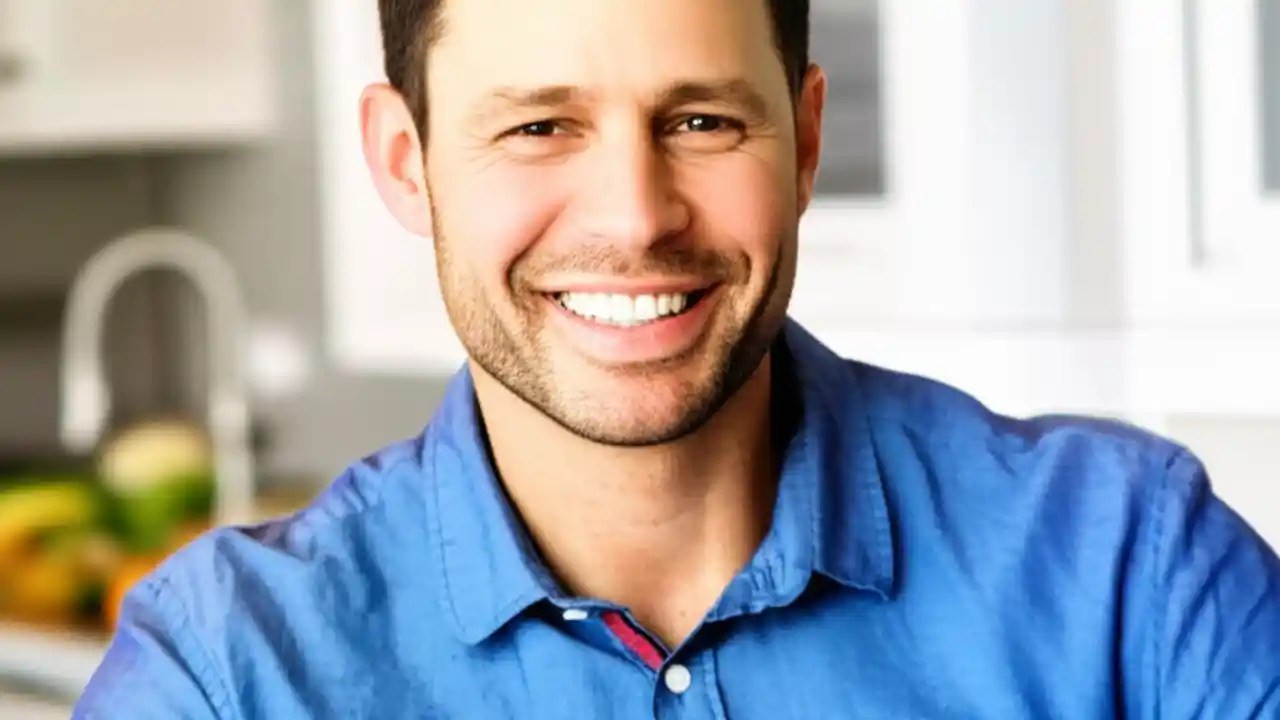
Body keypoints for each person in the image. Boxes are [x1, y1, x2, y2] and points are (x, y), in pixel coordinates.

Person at [76, 0, 1280, 716]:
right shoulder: (228, 672)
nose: (637, 214)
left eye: (700, 121)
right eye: (538, 126)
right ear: (406, 163)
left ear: (803, 141)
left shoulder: (1130, 571)